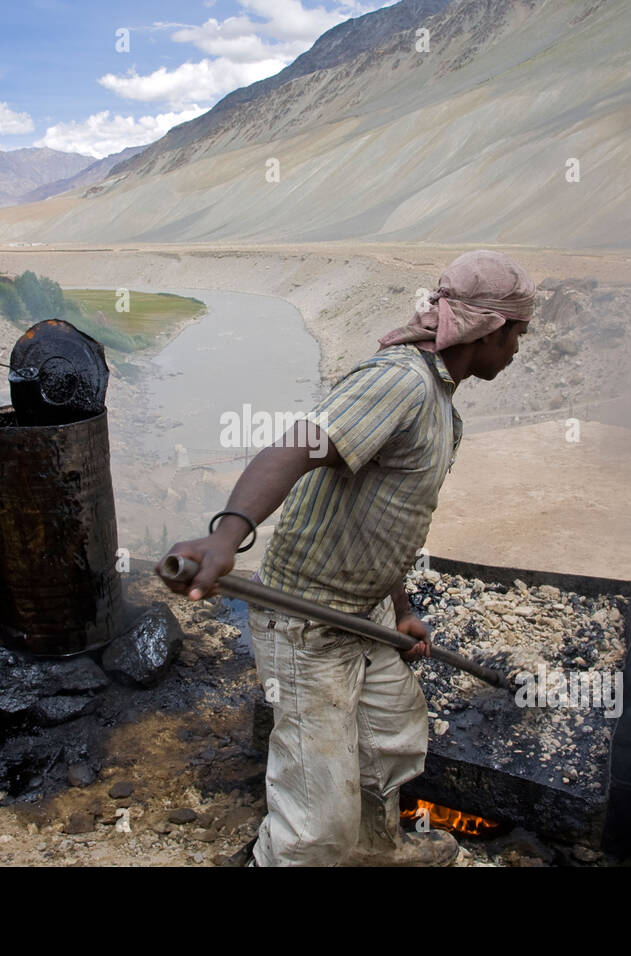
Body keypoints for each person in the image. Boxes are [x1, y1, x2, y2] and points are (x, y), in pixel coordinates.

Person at [160, 249, 535, 866]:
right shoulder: (399, 382)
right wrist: (224, 539)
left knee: (389, 743)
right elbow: (297, 446)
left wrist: (403, 612)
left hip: (365, 615)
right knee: (315, 823)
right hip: (308, 620)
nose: (518, 348)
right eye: (517, 333)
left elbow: (389, 522)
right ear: (491, 327)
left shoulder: (444, 408)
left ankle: (374, 851)